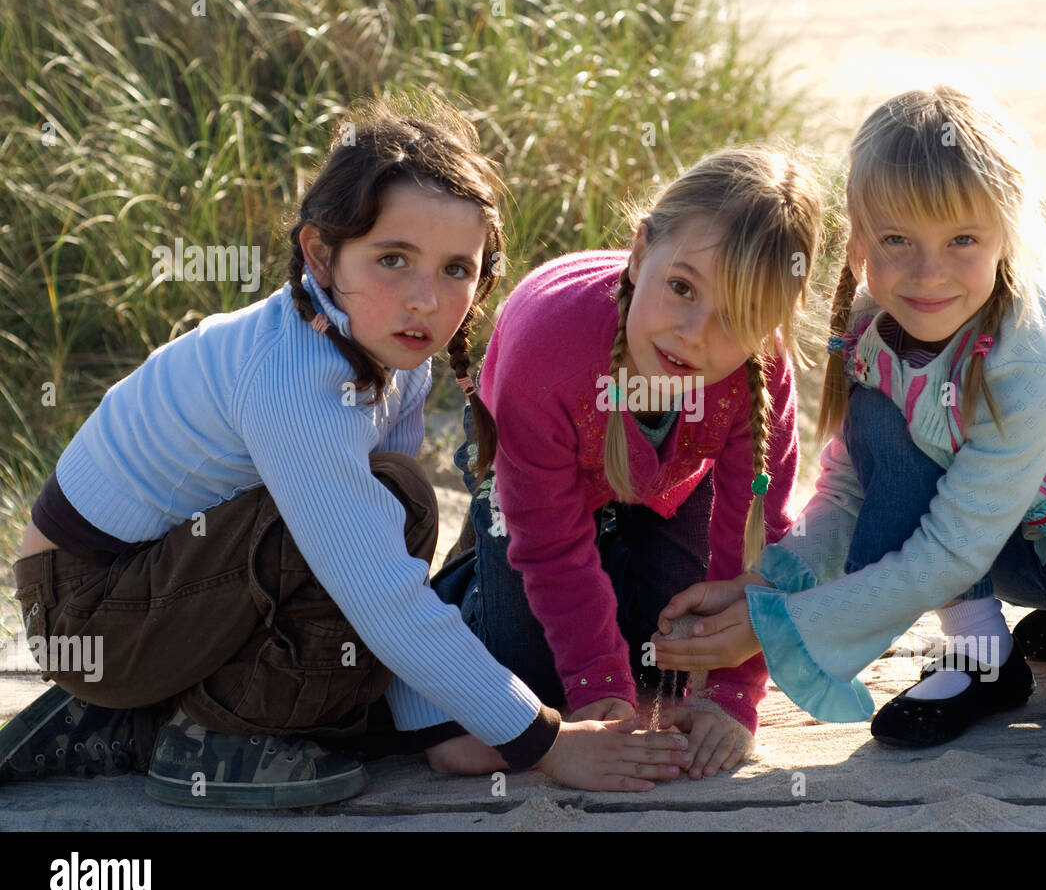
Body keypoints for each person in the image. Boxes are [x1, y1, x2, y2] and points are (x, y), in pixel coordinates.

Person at [1, 93, 691, 806]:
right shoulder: (294, 376)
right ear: (321, 255)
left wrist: (436, 730)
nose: (425, 298)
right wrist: (543, 741)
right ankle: (202, 736)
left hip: (163, 587)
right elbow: (374, 588)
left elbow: (387, 560)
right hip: (87, 608)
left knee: (400, 501)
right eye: (393, 259)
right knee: (374, 518)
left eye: (457, 269)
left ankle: (157, 699)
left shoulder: (393, 355)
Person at [655, 84, 1046, 756]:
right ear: (857, 239)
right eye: (896, 239)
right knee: (887, 422)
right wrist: (766, 585)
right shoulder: (873, 332)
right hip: (995, 536)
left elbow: (949, 551)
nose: (927, 274)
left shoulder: (1033, 362)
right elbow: (854, 489)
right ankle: (981, 657)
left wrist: (774, 629)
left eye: (962, 239)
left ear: (1008, 232)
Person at [432, 147, 822, 778]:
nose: (695, 332)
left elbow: (754, 542)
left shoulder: (759, 372)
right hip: (538, 487)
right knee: (534, 681)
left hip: (673, 481)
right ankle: (470, 578)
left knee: (668, 661)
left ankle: (620, 558)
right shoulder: (551, 347)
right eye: (681, 288)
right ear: (641, 254)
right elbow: (551, 544)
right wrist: (597, 692)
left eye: (736, 317)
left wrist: (731, 695)